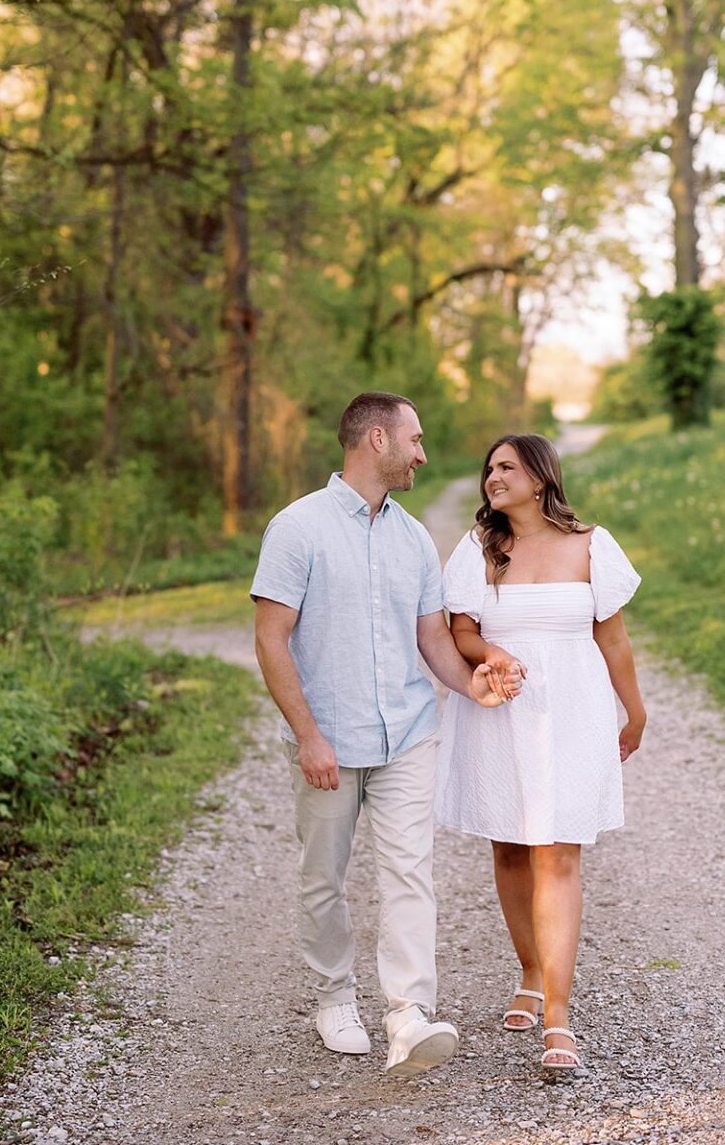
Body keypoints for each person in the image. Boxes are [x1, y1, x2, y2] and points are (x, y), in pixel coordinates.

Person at [251, 392, 520, 1079]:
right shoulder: (297, 527)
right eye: (416, 440)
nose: (424, 455)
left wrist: (474, 686)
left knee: (409, 874)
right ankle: (334, 997)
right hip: (330, 742)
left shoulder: (411, 538)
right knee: (324, 879)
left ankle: (407, 1014)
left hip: (406, 734)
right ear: (377, 440)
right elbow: (271, 639)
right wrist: (308, 735)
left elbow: (432, 640)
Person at [434, 433, 646, 1081]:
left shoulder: (591, 546)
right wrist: (490, 657)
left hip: (572, 713)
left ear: (539, 476)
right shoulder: (480, 549)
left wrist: (634, 711)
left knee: (558, 851)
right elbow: (460, 628)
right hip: (501, 711)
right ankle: (529, 967)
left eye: (505, 467)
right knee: (508, 847)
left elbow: (613, 639)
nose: (492, 477)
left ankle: (558, 1014)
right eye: (488, 468)